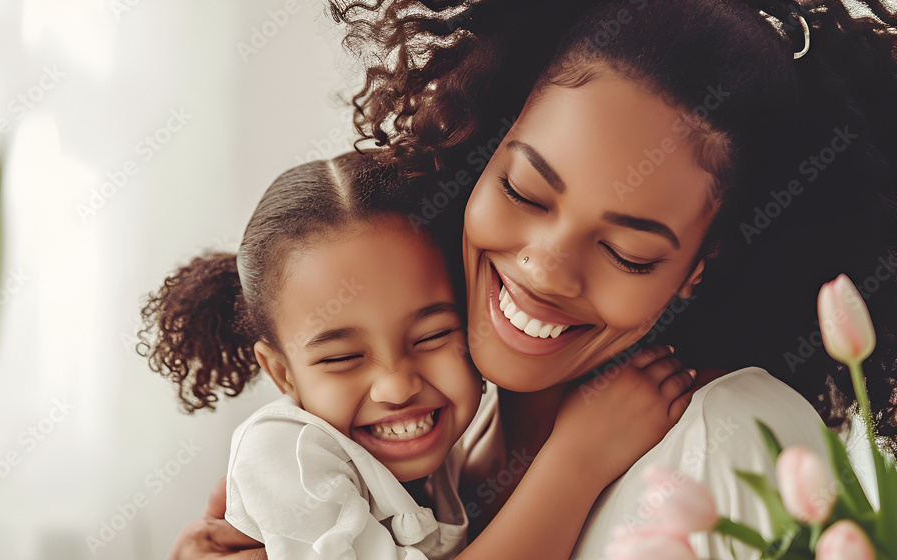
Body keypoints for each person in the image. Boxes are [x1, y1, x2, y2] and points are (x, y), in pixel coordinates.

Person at [171, 0, 897, 556]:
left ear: (692, 271)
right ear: (481, 155)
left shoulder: (733, 434)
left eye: (629, 252)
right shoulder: (436, 449)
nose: (545, 268)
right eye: (523, 191)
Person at [141, 152, 692, 559]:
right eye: (341, 359)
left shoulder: (427, 462)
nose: (397, 385)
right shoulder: (288, 455)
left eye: (431, 338)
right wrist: (578, 460)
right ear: (281, 372)